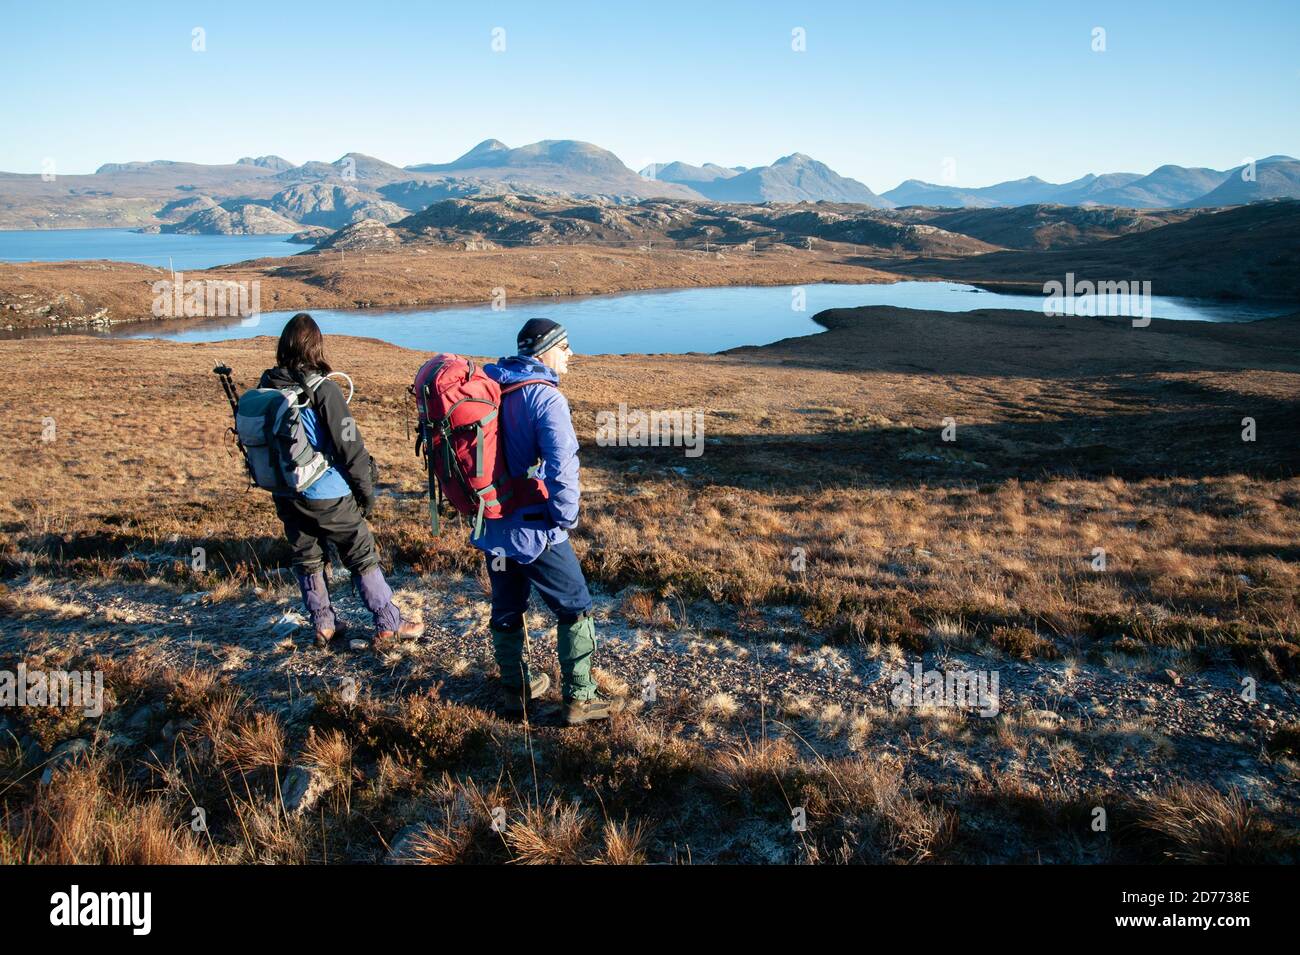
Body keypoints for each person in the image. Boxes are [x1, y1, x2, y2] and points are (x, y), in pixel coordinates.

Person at [474, 318, 624, 724]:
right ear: (544, 351)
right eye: (565, 345)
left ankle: (515, 690)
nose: (571, 353)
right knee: (576, 604)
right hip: (536, 529)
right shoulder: (545, 397)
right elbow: (562, 465)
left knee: (507, 606)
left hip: (493, 526)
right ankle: (580, 697)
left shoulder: (492, 388)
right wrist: (565, 517)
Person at [261, 313, 421, 651]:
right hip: (326, 492)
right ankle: (389, 623)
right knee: (360, 551)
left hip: (286, 492)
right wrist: (366, 495)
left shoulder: (267, 389)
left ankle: (324, 626)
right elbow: (352, 449)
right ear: (315, 347)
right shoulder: (325, 390)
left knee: (307, 555)